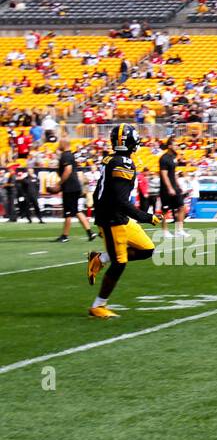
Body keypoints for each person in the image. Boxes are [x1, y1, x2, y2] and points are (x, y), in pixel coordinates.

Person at [86, 124, 162, 319]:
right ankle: (98, 306)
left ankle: (101, 258)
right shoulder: (123, 163)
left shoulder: (111, 159)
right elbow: (120, 201)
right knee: (120, 262)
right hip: (113, 219)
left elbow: (101, 193)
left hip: (117, 216)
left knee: (146, 249)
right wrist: (147, 217)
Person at [54, 139, 97, 243]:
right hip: (73, 187)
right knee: (76, 211)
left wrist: (59, 183)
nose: (58, 145)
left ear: (64, 144)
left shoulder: (66, 155)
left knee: (68, 212)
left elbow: (68, 170)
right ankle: (90, 232)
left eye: (60, 143)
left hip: (70, 188)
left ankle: (65, 236)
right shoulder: (69, 155)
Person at [156, 138, 187, 238]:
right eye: (175, 145)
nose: (177, 147)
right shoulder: (163, 158)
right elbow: (164, 175)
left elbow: (173, 173)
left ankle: (179, 230)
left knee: (182, 207)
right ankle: (165, 232)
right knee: (165, 210)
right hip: (166, 188)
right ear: (169, 146)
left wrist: (178, 185)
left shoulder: (174, 157)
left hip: (175, 187)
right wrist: (169, 188)